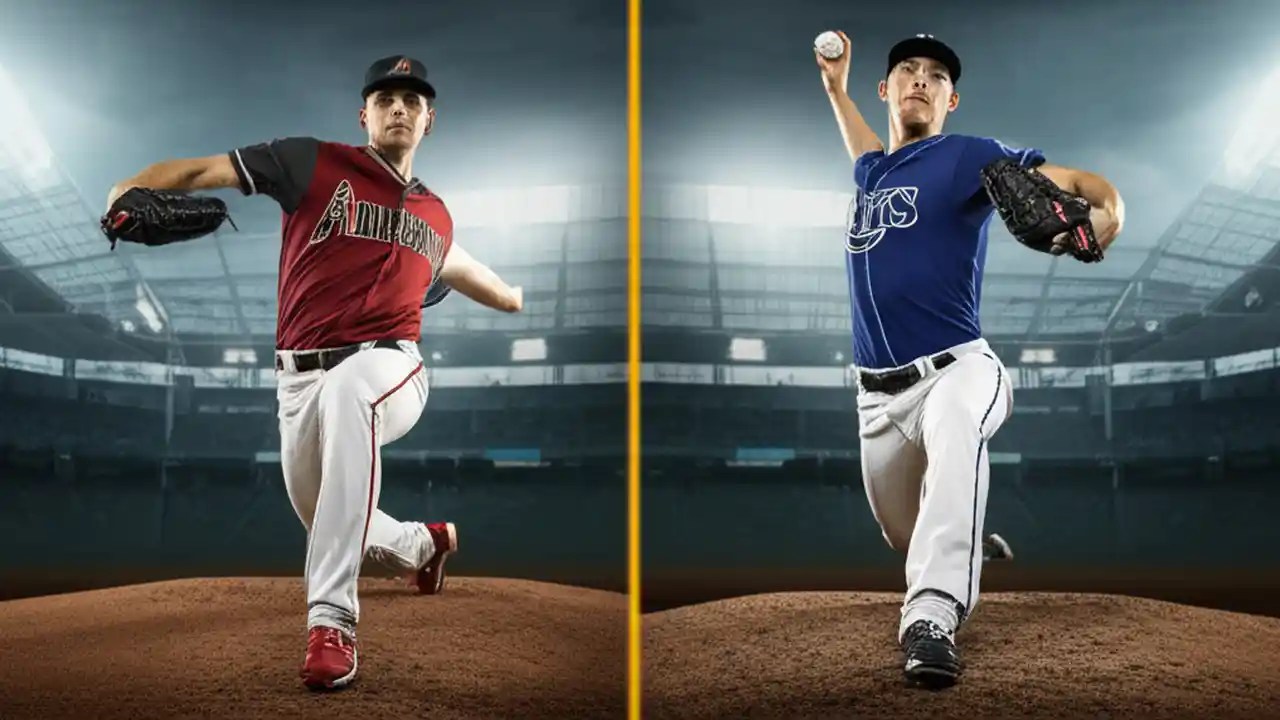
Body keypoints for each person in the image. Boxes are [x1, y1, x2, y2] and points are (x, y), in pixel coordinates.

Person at [105, 55, 524, 691]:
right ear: (365, 113)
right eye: (387, 97)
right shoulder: (311, 162)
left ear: (429, 119)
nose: (400, 107)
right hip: (298, 381)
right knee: (324, 511)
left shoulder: (436, 218)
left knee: (355, 393)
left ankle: (332, 622)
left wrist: (518, 297)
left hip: (390, 367)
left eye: (414, 99)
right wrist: (123, 189)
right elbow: (197, 170)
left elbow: (479, 277)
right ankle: (423, 545)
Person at [815, 32, 1125, 687]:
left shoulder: (966, 156)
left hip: (959, 371)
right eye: (908, 70)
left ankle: (930, 622)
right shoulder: (874, 170)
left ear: (952, 98)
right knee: (905, 536)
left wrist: (1108, 207)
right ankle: (968, 536)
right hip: (877, 400)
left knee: (957, 431)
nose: (921, 79)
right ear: (887, 88)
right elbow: (864, 148)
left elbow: (1067, 182)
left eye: (936, 75)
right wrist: (836, 90)